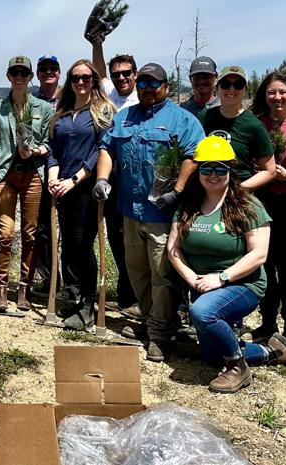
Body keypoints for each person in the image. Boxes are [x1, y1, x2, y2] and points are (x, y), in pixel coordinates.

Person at [166, 136, 286, 393]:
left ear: (230, 171)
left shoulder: (247, 204)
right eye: (206, 168)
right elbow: (173, 249)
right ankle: (271, 350)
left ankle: (237, 368)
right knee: (212, 356)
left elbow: (259, 255)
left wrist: (221, 278)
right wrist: (191, 277)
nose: (213, 174)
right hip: (202, 285)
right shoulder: (188, 204)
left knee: (203, 312)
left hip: (242, 284)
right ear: (198, 171)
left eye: (220, 168)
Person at [94, 63, 205, 361]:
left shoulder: (183, 119)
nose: (148, 89)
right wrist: (102, 178)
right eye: (142, 84)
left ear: (166, 86)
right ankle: (149, 318)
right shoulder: (124, 117)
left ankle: (161, 332)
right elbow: (106, 148)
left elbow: (193, 156)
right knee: (137, 272)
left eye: (154, 84)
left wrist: (177, 191)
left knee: (162, 274)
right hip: (130, 211)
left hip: (163, 214)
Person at [46, 59, 115, 330]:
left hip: (87, 188)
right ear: (70, 81)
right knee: (68, 244)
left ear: (94, 81)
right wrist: (53, 176)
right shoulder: (61, 113)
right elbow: (52, 148)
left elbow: (101, 149)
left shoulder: (102, 111)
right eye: (76, 78)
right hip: (62, 186)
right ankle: (72, 294)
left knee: (82, 244)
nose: (81, 82)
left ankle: (88, 303)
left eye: (86, 77)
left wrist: (74, 180)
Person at [0, 56, 53, 311]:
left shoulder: (42, 108)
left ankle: (24, 286)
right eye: (15, 72)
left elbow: (49, 143)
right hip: (6, 174)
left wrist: (34, 151)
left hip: (33, 175)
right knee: (5, 232)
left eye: (24, 73)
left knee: (30, 233)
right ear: (9, 76)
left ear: (31, 77)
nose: (19, 77)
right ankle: (1, 287)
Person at [248, 72, 286, 341]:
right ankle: (268, 321)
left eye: (282, 92)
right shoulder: (256, 123)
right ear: (264, 96)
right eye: (271, 92)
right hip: (261, 201)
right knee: (263, 263)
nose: (277, 97)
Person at [91, 49, 140, 316]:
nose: (121, 78)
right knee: (116, 237)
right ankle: (126, 296)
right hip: (111, 176)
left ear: (135, 74)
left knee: (134, 238)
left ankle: (139, 297)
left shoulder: (140, 99)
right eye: (116, 74)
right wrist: (97, 44)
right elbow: (99, 72)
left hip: (134, 178)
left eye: (126, 73)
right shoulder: (109, 94)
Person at [199, 65, 275, 191]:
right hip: (206, 190)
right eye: (225, 84)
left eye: (238, 85)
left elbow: (270, 170)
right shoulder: (203, 118)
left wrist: (240, 189)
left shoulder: (254, 125)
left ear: (245, 90)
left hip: (238, 193)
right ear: (217, 88)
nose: (232, 89)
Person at [31, 54, 62, 289]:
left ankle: (74, 283)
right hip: (41, 171)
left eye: (53, 68)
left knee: (71, 231)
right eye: (44, 69)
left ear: (59, 73)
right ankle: (50, 280)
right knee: (42, 228)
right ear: (38, 74)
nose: (48, 72)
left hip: (68, 168)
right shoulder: (32, 101)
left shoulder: (69, 98)